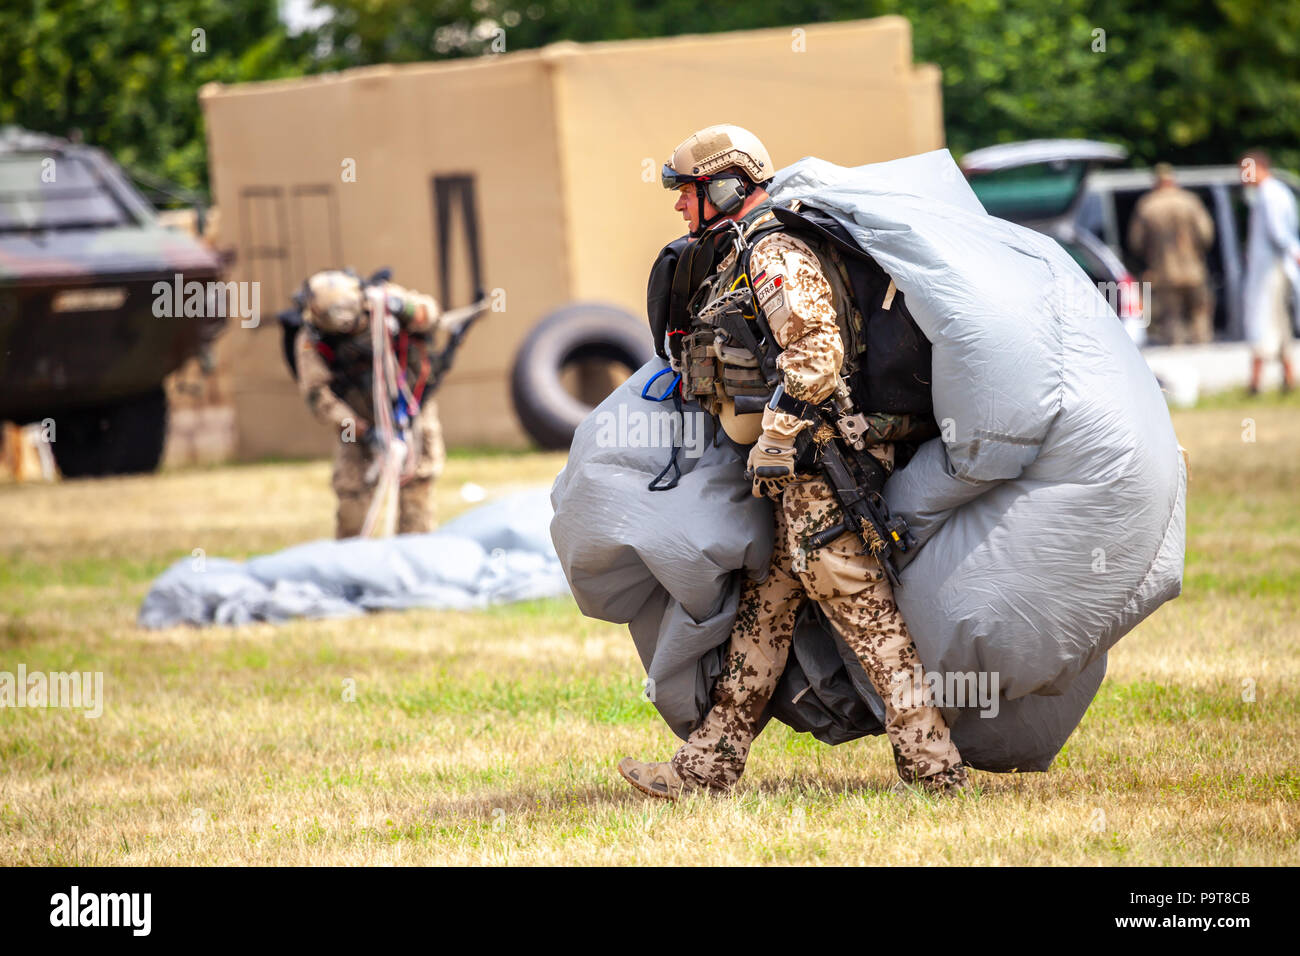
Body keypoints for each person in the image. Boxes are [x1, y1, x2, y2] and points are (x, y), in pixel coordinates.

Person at [618, 125, 967, 800]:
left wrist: (777, 437)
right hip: (800, 472)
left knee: (865, 614)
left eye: (689, 191)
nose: (680, 206)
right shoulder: (746, 250)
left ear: (726, 187)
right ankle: (707, 770)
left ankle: (936, 770)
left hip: (821, 464)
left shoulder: (774, 250)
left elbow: (815, 353)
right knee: (764, 617)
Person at [294, 270, 446, 537]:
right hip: (357, 424)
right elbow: (318, 395)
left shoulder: (382, 302)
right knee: (352, 501)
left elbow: (431, 316)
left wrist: (404, 308)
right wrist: (362, 430)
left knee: (415, 497)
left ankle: (412, 555)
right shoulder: (312, 340)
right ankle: (352, 556)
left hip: (411, 413)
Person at [1127, 163, 1216, 345]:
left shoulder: (1147, 206)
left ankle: (1176, 348)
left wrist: (1149, 256)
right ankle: (1203, 346)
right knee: (1200, 311)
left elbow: (1135, 242)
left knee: (1171, 316)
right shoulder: (1190, 202)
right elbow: (1206, 234)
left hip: (1163, 270)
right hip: (1193, 268)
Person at [1240, 150, 1300, 393]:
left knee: (1263, 321)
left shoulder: (1269, 194)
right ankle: (1287, 378)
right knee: (1279, 322)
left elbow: (1279, 234)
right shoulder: (1272, 192)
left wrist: (1293, 252)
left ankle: (1255, 382)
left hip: (1270, 272)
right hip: (1271, 269)